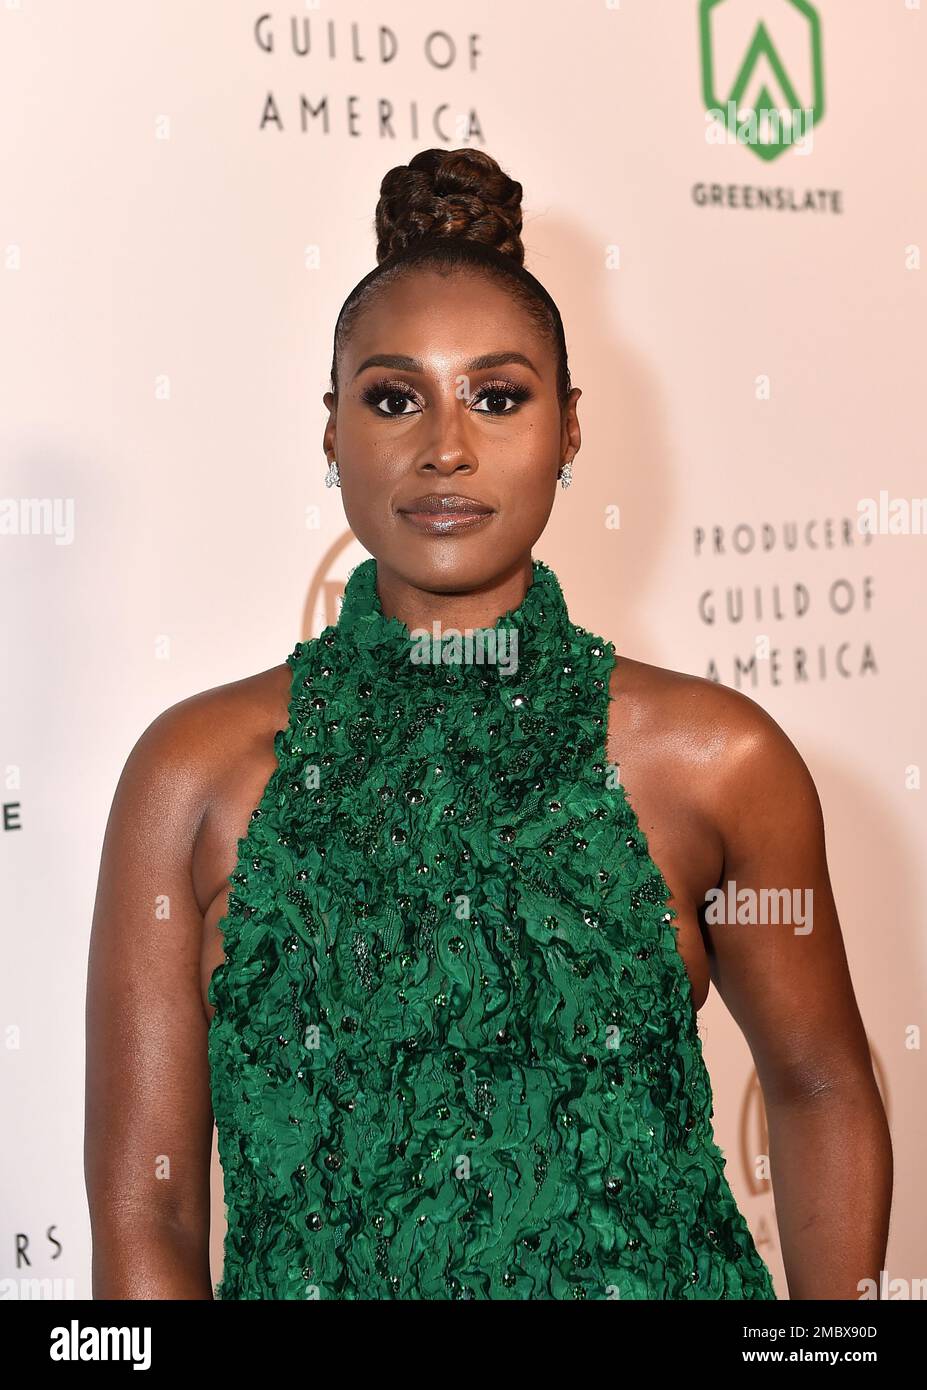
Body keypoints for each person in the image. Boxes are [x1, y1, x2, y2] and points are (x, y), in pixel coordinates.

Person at [85, 148, 891, 1300]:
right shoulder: (195, 774)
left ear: (568, 430)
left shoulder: (718, 761)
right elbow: (147, 1208)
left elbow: (822, 1088)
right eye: (394, 397)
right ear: (331, 430)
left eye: (499, 397)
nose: (445, 447)